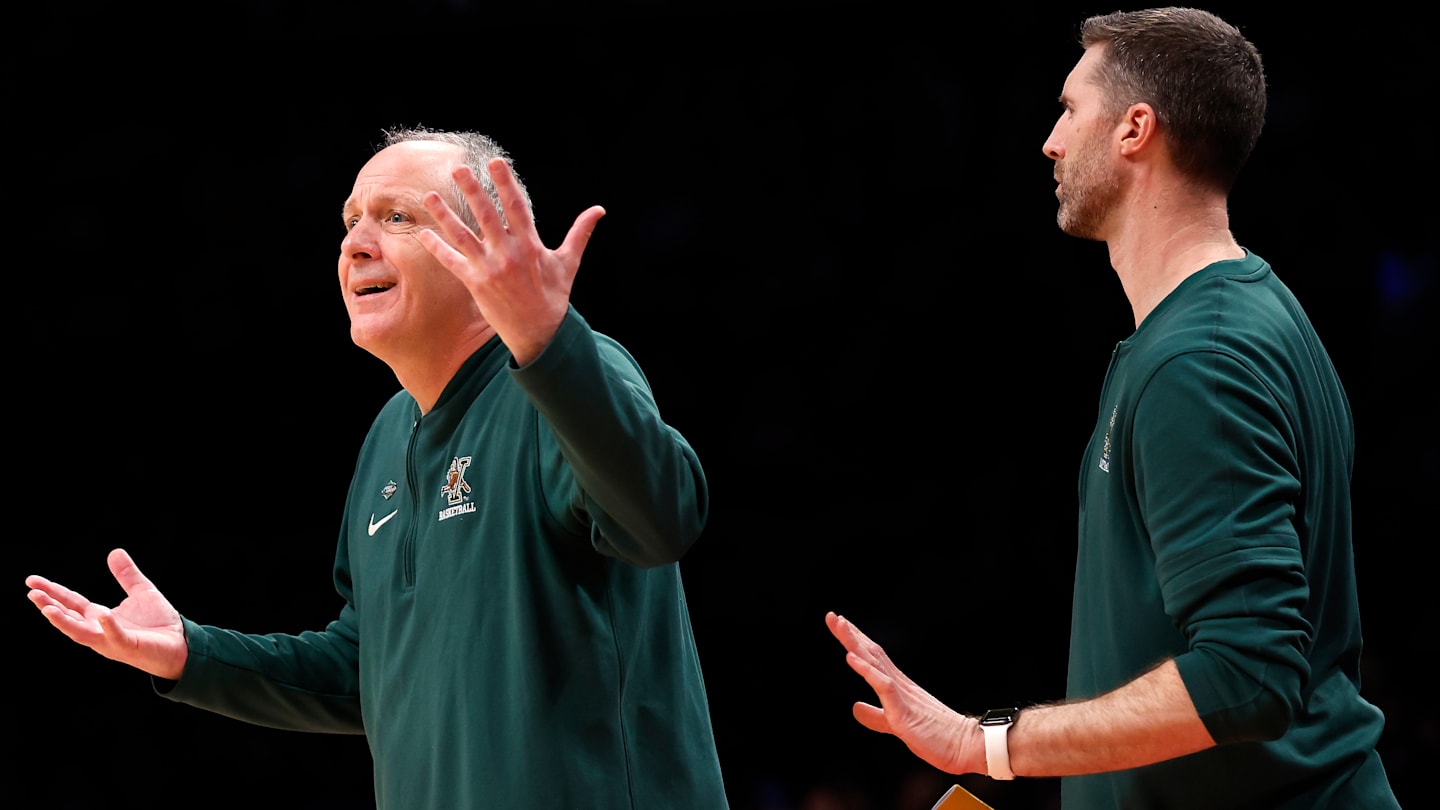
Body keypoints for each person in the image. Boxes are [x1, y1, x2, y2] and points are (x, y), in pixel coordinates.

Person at [26, 126, 730, 809]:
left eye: (395, 217)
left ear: (482, 247)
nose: (355, 244)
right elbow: (368, 671)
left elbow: (661, 521)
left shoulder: (572, 373)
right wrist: (193, 653)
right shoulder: (390, 433)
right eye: (350, 220)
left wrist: (548, 341)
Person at [825, 8, 1402, 809]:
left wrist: (982, 743)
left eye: (1068, 109)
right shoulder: (1250, 309)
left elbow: (1248, 675)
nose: (1050, 141)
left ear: (1136, 129)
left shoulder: (1197, 360)